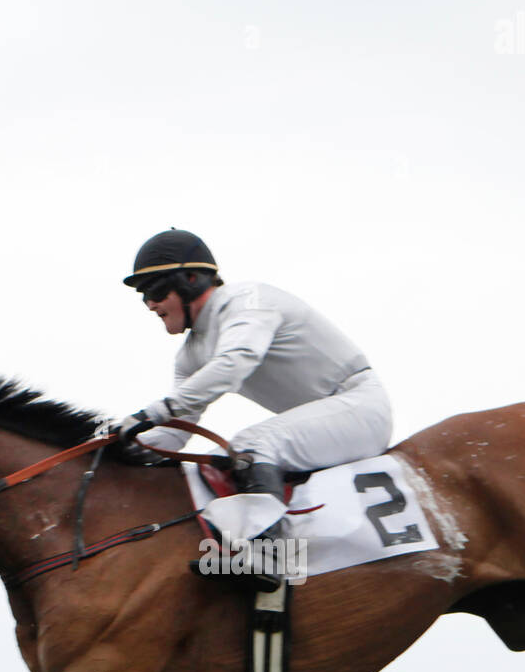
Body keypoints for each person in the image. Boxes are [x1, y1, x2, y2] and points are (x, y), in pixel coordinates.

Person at [117, 228, 392, 587]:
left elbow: (234, 363)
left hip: (361, 407)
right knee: (218, 458)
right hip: (326, 421)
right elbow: (175, 428)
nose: (150, 305)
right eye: (144, 297)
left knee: (251, 443)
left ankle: (271, 558)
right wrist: (124, 448)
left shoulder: (246, 301)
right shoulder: (190, 355)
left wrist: (150, 412)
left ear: (190, 280)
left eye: (154, 291)